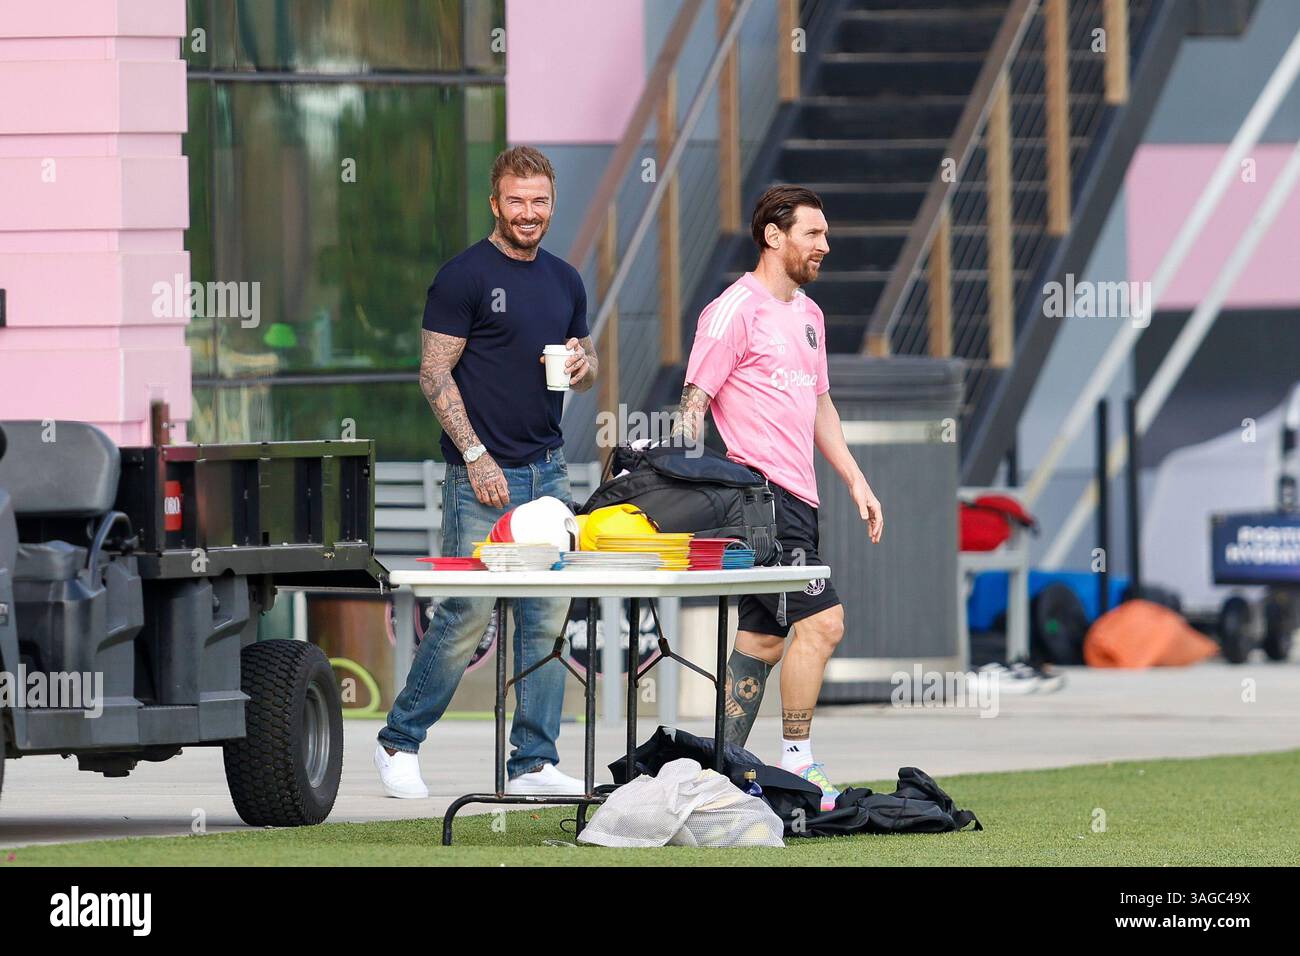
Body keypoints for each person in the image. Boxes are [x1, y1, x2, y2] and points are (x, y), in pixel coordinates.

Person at [375, 146, 599, 798]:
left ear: (551, 204)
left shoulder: (564, 279)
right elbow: (432, 372)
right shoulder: (463, 276)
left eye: (540, 202)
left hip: (549, 474)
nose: (529, 213)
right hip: (479, 477)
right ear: (495, 203)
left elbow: (580, 362)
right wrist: (476, 457)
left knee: (546, 617)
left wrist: (585, 369)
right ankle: (398, 743)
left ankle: (533, 762)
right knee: (467, 615)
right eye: (516, 201)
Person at [674, 184, 884, 811]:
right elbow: (691, 411)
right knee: (824, 623)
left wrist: (854, 478)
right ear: (774, 236)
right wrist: (698, 492)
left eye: (824, 234)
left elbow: (819, 404)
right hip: (758, 506)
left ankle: (711, 779)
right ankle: (799, 764)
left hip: (802, 502)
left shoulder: (810, 316)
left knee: (761, 644)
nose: (826, 244)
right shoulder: (731, 310)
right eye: (813, 234)